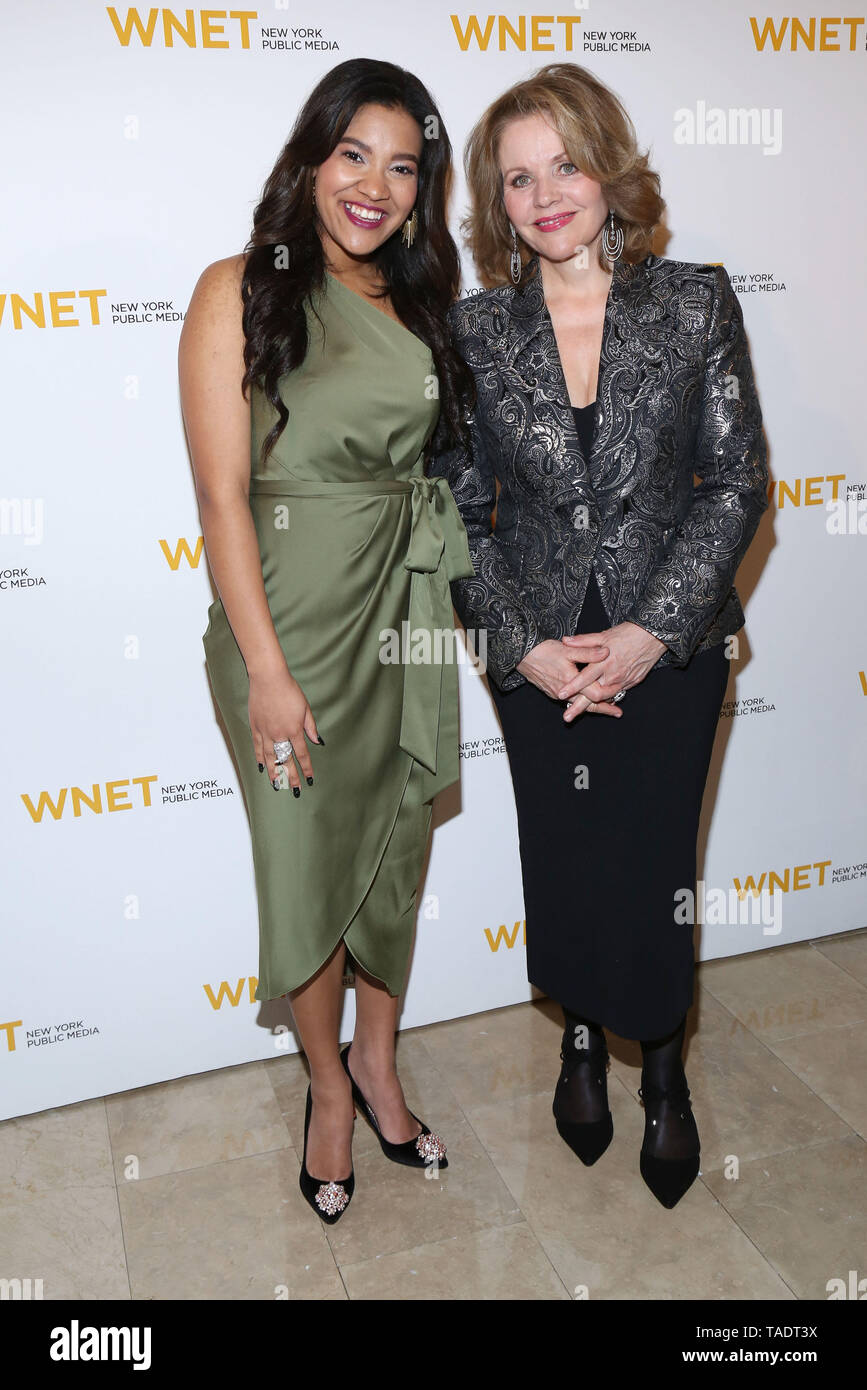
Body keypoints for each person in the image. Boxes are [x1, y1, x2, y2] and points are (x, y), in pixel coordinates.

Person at [429, 63, 769, 1208]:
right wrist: (522, 643)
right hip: (537, 647)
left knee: (656, 861)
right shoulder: (474, 332)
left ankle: (664, 1067)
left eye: (564, 165)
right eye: (518, 179)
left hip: (667, 646)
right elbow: (455, 507)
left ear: (608, 168)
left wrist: (651, 632)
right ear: (497, 202)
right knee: (568, 852)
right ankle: (581, 1036)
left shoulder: (694, 302)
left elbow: (736, 481)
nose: (545, 196)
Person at [178, 59, 474, 1223]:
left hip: (402, 612)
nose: (374, 185)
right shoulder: (239, 289)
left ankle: (379, 1065)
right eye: (353, 153)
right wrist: (265, 671)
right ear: (310, 159)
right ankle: (329, 1091)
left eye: (402, 167)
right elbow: (221, 500)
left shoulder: (420, 304)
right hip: (286, 630)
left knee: (395, 849)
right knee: (305, 864)